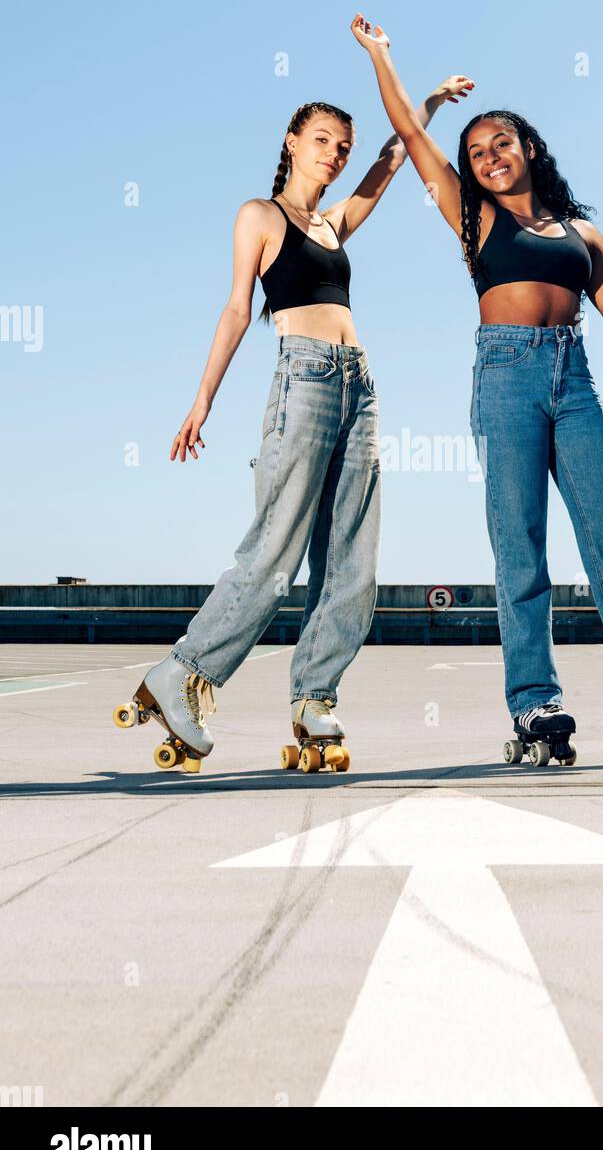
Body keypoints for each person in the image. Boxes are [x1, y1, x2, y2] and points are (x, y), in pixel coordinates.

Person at [351, 13, 603, 761]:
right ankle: (535, 705)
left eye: (502, 141)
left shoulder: (583, 235)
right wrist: (385, 57)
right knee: (521, 548)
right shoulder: (469, 215)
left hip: (577, 380)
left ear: (530, 148)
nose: (490, 155)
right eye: (476, 150)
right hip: (504, 377)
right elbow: (408, 132)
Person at [120, 80, 472, 770]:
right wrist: (202, 402)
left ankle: (315, 696)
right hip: (303, 384)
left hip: (360, 388)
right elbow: (233, 310)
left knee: (353, 561)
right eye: (321, 141)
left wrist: (426, 100)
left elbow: (394, 157)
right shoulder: (260, 215)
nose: (335, 155)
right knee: (274, 555)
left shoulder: (332, 224)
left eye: (341, 147)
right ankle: (182, 671)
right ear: (291, 142)